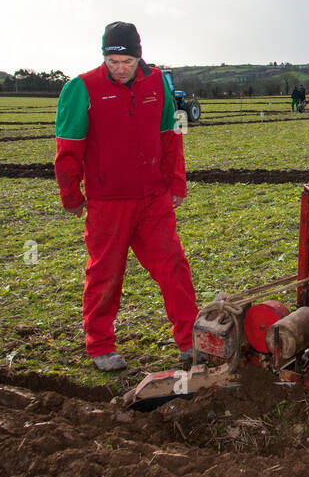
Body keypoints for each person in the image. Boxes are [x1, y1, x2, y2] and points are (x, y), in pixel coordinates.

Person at [54, 22, 200, 371]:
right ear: (104, 56)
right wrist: (71, 195)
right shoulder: (81, 88)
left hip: (153, 199)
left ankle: (190, 341)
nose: (120, 68)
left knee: (174, 267)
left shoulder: (157, 85)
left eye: (128, 61)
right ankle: (101, 345)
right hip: (108, 203)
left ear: (139, 56)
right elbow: (68, 148)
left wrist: (175, 184)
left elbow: (171, 136)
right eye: (113, 60)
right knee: (106, 274)